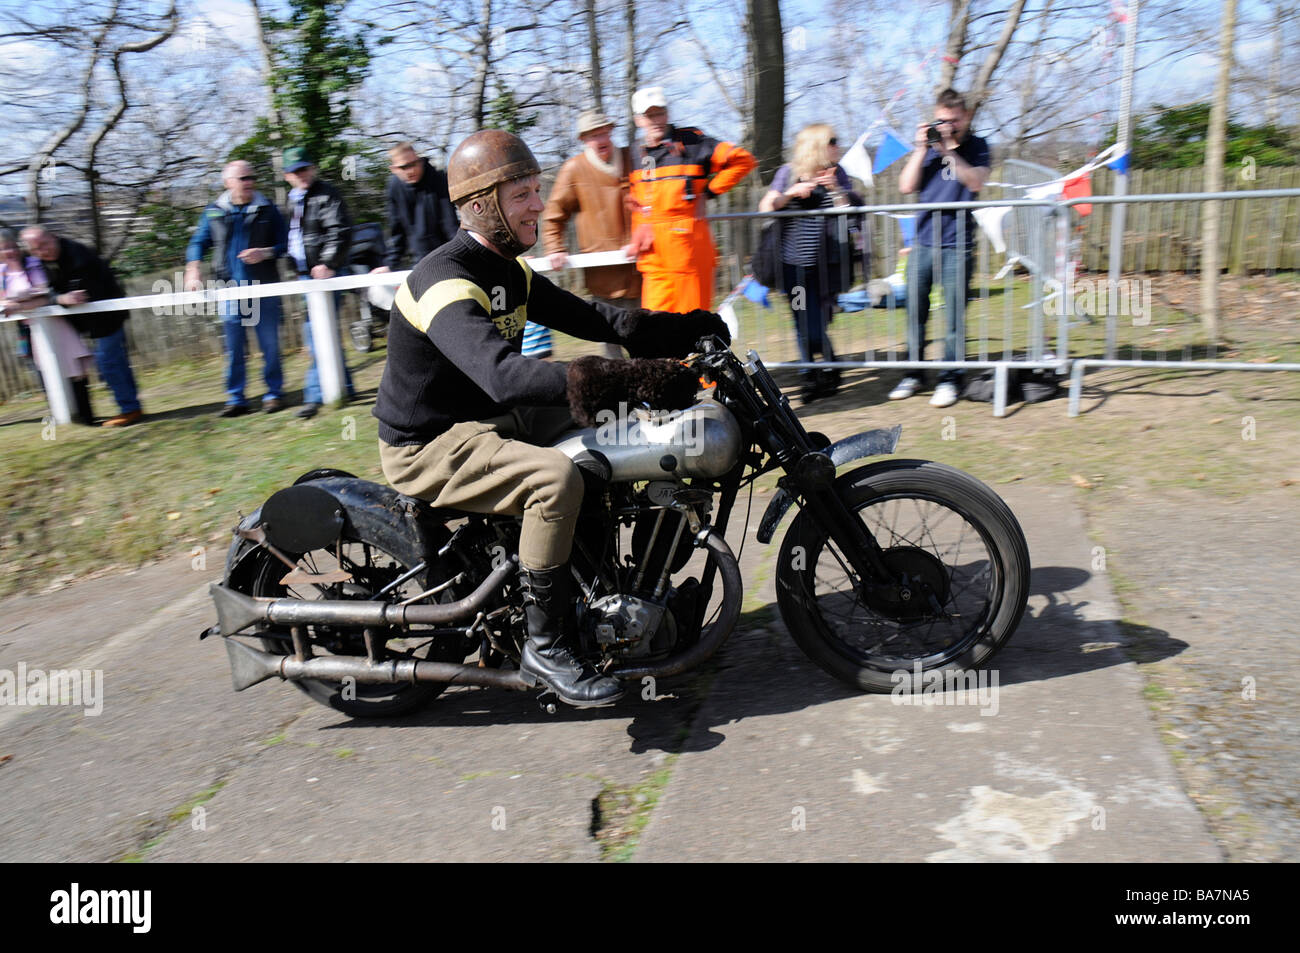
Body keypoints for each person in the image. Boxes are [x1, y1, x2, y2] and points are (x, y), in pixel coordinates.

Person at [372, 129, 728, 708]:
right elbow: (502, 375)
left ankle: (622, 589)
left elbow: (588, 316)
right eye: (523, 196)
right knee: (555, 478)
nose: (539, 204)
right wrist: (620, 376)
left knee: (621, 429)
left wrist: (677, 329)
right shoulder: (444, 280)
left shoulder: (507, 267)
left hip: (490, 419)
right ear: (483, 206)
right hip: (432, 441)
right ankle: (546, 644)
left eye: (537, 191)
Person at [893, 87, 991, 408]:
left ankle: (950, 377)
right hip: (922, 243)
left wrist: (949, 149)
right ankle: (914, 373)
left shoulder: (978, 147)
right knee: (914, 312)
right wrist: (923, 149)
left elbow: (975, 182)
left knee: (953, 317)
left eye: (953, 120)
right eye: (941, 120)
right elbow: (906, 186)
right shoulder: (928, 150)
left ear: (965, 118)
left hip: (958, 243)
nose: (947, 126)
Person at [758, 123, 865, 403]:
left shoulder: (837, 173)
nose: (837, 145)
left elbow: (852, 214)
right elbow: (766, 206)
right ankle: (812, 374)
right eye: (832, 141)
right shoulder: (788, 172)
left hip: (827, 264)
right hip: (793, 265)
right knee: (801, 322)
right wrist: (793, 192)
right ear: (816, 145)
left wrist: (836, 190)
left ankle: (827, 367)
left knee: (816, 324)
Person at [625, 86, 756, 312]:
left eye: (660, 113)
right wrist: (639, 232)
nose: (656, 120)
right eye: (649, 115)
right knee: (654, 329)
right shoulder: (636, 154)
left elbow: (743, 160)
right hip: (653, 256)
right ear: (639, 120)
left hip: (688, 249)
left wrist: (709, 192)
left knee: (693, 326)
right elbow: (640, 203)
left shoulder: (694, 142)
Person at [185, 159, 289, 417]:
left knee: (270, 346)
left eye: (251, 177)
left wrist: (264, 253)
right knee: (233, 348)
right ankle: (236, 399)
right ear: (227, 182)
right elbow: (198, 242)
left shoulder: (268, 209)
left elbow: (285, 244)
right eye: (243, 179)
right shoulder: (213, 212)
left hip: (263, 288)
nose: (249, 183)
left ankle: (274, 394)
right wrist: (193, 268)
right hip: (229, 289)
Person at [542, 108, 642, 359]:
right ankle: (621, 401)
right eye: (594, 135)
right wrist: (555, 247)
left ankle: (650, 398)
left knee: (646, 343)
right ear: (583, 140)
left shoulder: (634, 159)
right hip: (603, 278)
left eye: (605, 132)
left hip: (642, 272)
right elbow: (555, 212)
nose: (601, 139)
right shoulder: (574, 169)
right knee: (611, 348)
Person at [19, 224, 143, 427]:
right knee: (113, 363)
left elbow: (79, 295)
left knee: (108, 363)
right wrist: (59, 298)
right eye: (35, 249)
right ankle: (131, 408)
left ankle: (129, 409)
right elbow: (47, 293)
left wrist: (58, 297)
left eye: (44, 244)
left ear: (54, 237)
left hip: (107, 317)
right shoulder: (41, 263)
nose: (42, 251)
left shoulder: (77, 256)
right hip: (88, 322)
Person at [282, 146, 356, 419]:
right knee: (324, 333)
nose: (301, 174)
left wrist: (327, 263)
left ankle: (314, 396)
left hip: (324, 274)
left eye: (304, 168)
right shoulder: (291, 200)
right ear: (287, 175)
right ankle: (345, 386)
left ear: (312, 168)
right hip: (305, 276)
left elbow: (340, 231)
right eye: (295, 171)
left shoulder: (327, 194)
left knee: (315, 334)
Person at [1, 228, 96, 424]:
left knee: (75, 372)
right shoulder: (2, 275)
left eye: (11, 247)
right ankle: (63, 419)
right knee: (44, 374)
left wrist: (18, 305)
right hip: (27, 330)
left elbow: (45, 296)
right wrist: (16, 306)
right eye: (3, 249)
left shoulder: (32, 264)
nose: (9, 252)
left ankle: (87, 417)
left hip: (56, 324)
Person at [372, 142, 458, 273]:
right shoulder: (394, 187)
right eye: (404, 167)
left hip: (448, 256)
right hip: (419, 260)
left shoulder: (438, 179)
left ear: (419, 160)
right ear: (394, 169)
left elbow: (450, 224)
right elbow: (397, 230)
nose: (411, 171)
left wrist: (460, 255)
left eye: (414, 164)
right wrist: (390, 264)